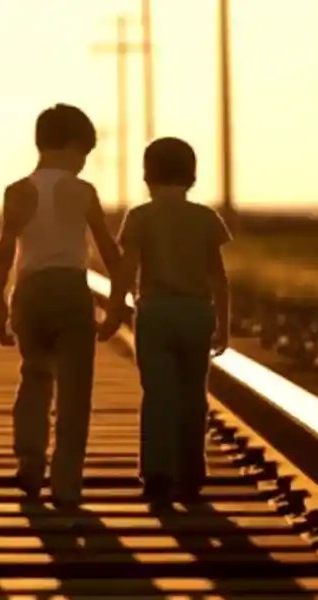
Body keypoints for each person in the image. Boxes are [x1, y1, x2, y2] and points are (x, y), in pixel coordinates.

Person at [0, 103, 122, 510]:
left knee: (34, 375)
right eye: (83, 154)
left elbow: (6, 250)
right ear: (69, 147)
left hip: (29, 292)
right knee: (74, 391)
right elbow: (109, 252)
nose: (84, 163)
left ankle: (30, 455)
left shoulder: (18, 190)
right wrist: (116, 304)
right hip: (70, 292)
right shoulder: (81, 191)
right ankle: (66, 481)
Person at [98, 137, 231, 505]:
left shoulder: (140, 217)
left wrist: (113, 311)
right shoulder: (206, 218)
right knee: (193, 396)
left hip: (155, 312)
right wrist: (224, 322)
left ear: (147, 176)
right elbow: (218, 277)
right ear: (192, 177)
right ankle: (191, 475)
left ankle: (157, 474)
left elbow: (127, 270)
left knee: (158, 395)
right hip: (195, 313)